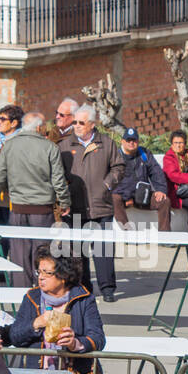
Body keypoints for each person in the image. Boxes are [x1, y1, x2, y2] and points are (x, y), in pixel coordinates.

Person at [0, 111, 71, 288]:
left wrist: (8, 190)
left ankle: (21, 293)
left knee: (19, 254)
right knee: (42, 253)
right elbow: (58, 179)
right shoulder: (50, 147)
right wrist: (64, 202)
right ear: (38, 127)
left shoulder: (10, 145)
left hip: (18, 207)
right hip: (42, 208)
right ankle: (41, 288)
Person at [58, 105, 124, 301]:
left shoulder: (106, 143)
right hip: (75, 205)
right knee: (78, 251)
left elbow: (119, 166)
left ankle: (108, 289)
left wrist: (107, 183)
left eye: (81, 123)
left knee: (103, 250)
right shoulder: (64, 145)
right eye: (75, 122)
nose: (76, 126)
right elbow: (57, 172)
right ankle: (85, 287)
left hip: (101, 205)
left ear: (92, 124)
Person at [10, 247, 106, 374]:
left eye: (47, 273)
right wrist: (36, 324)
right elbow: (14, 336)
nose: (41, 277)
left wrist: (75, 343)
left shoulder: (84, 299)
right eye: (39, 272)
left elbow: (98, 338)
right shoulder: (32, 297)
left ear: (64, 276)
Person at [111, 126, 170, 232]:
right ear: (122, 141)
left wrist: (160, 189)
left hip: (143, 196)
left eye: (134, 140)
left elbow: (156, 172)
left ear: (138, 141)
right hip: (124, 197)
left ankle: (164, 236)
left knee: (164, 201)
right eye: (128, 140)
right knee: (114, 198)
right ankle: (128, 233)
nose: (131, 143)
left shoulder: (145, 154)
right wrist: (128, 197)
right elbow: (113, 180)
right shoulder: (116, 156)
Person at [0, 104, 22, 225]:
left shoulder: (21, 140)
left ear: (14, 123)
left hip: (11, 197)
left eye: (3, 119)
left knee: (11, 235)